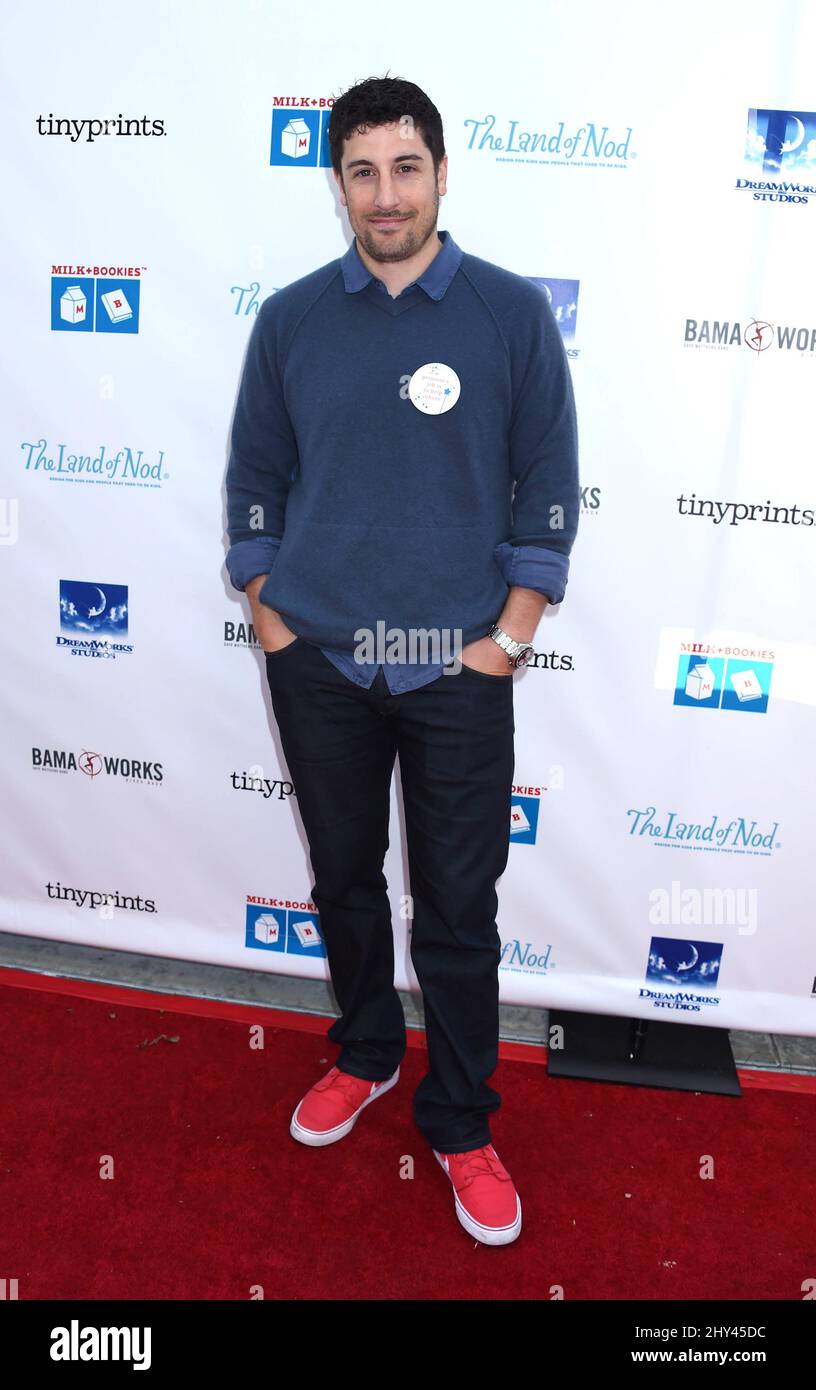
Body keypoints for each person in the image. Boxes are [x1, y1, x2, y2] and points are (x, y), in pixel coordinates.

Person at [224, 75, 579, 1247]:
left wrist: (508, 638)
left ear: (441, 173)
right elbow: (254, 479)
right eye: (363, 171)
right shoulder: (289, 320)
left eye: (406, 167)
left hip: (454, 666)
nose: (387, 194)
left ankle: (463, 1117)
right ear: (339, 185)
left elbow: (549, 486)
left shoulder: (511, 315)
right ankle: (368, 1050)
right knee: (342, 879)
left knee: (461, 908)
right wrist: (271, 609)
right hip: (318, 656)